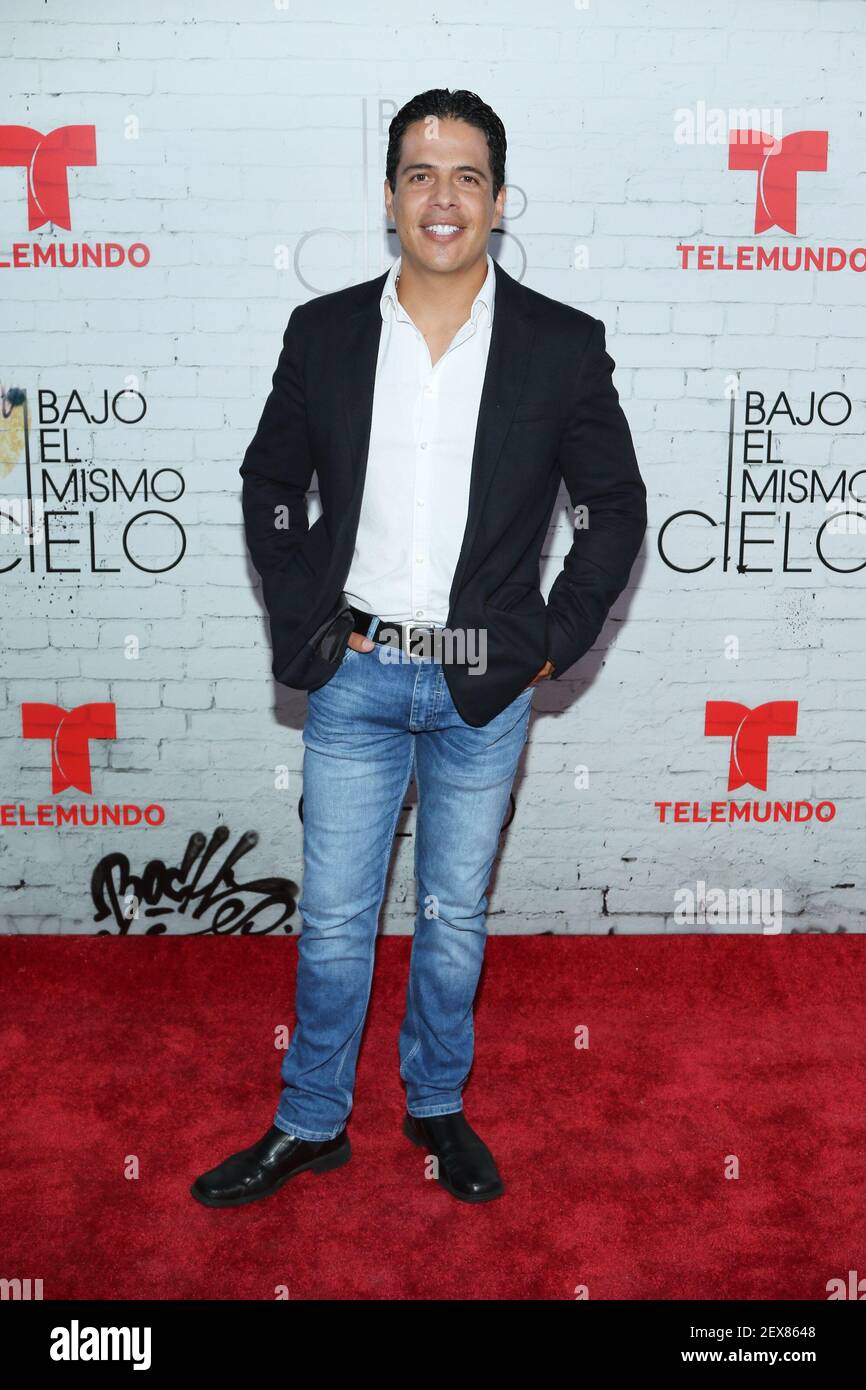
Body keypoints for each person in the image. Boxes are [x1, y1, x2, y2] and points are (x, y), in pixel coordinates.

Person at [191, 87, 647, 1209]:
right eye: (417, 174)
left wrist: (550, 637)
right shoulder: (326, 330)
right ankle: (310, 1122)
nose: (440, 198)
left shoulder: (559, 343)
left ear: (496, 197)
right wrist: (303, 614)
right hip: (351, 675)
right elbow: (268, 483)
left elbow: (614, 505)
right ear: (389, 195)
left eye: (464, 176)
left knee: (451, 922)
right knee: (336, 925)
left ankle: (435, 1106)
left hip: (482, 685)